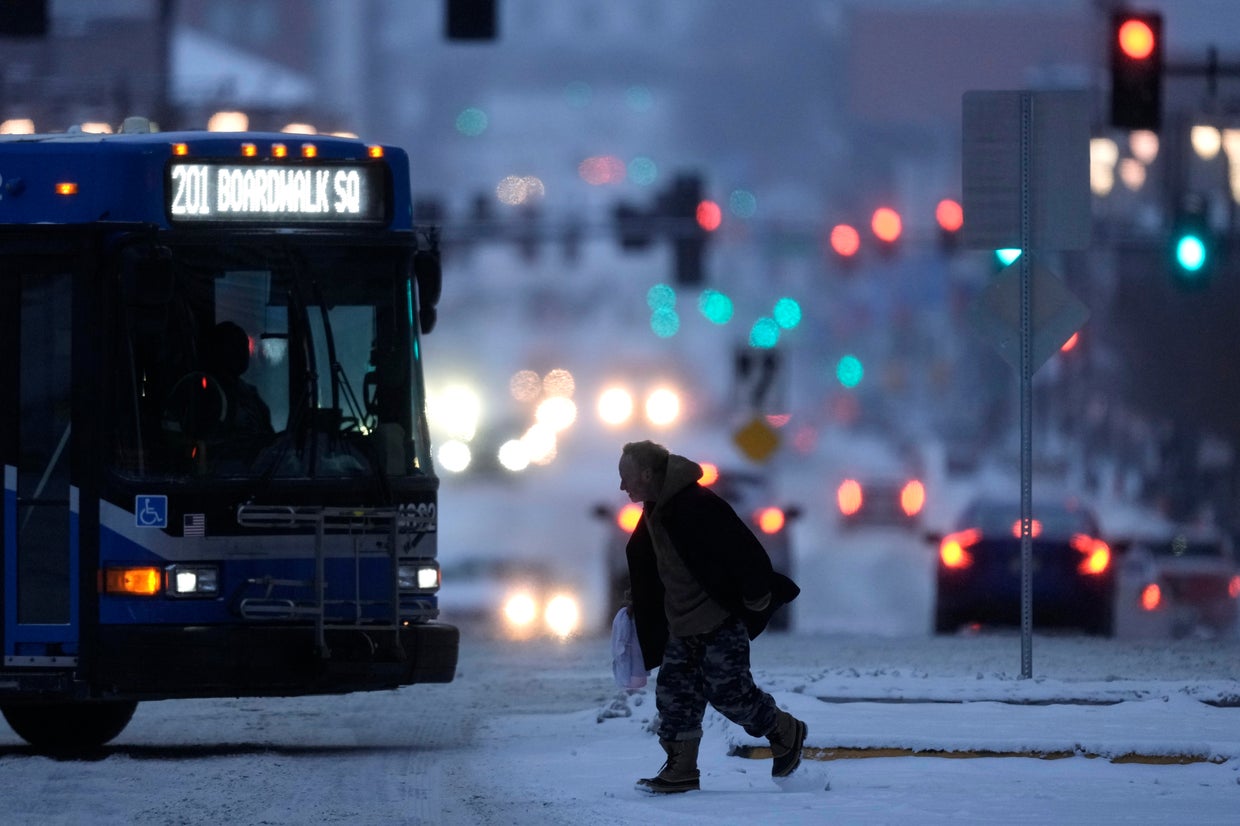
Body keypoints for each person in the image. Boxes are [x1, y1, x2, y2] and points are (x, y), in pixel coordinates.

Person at [617, 440, 806, 794]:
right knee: (675, 696)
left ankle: (784, 730)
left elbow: (740, 547)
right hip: (681, 625)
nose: (622, 486)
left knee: (730, 693)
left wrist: (756, 592)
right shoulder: (654, 511)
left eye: (625, 477)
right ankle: (681, 768)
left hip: (718, 618)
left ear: (645, 473)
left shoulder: (695, 505)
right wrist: (637, 599)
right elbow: (654, 565)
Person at [203, 321, 274, 453]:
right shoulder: (202, 392)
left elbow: (267, 439)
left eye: (244, 346)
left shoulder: (250, 393)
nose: (244, 353)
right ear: (218, 351)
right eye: (235, 347)